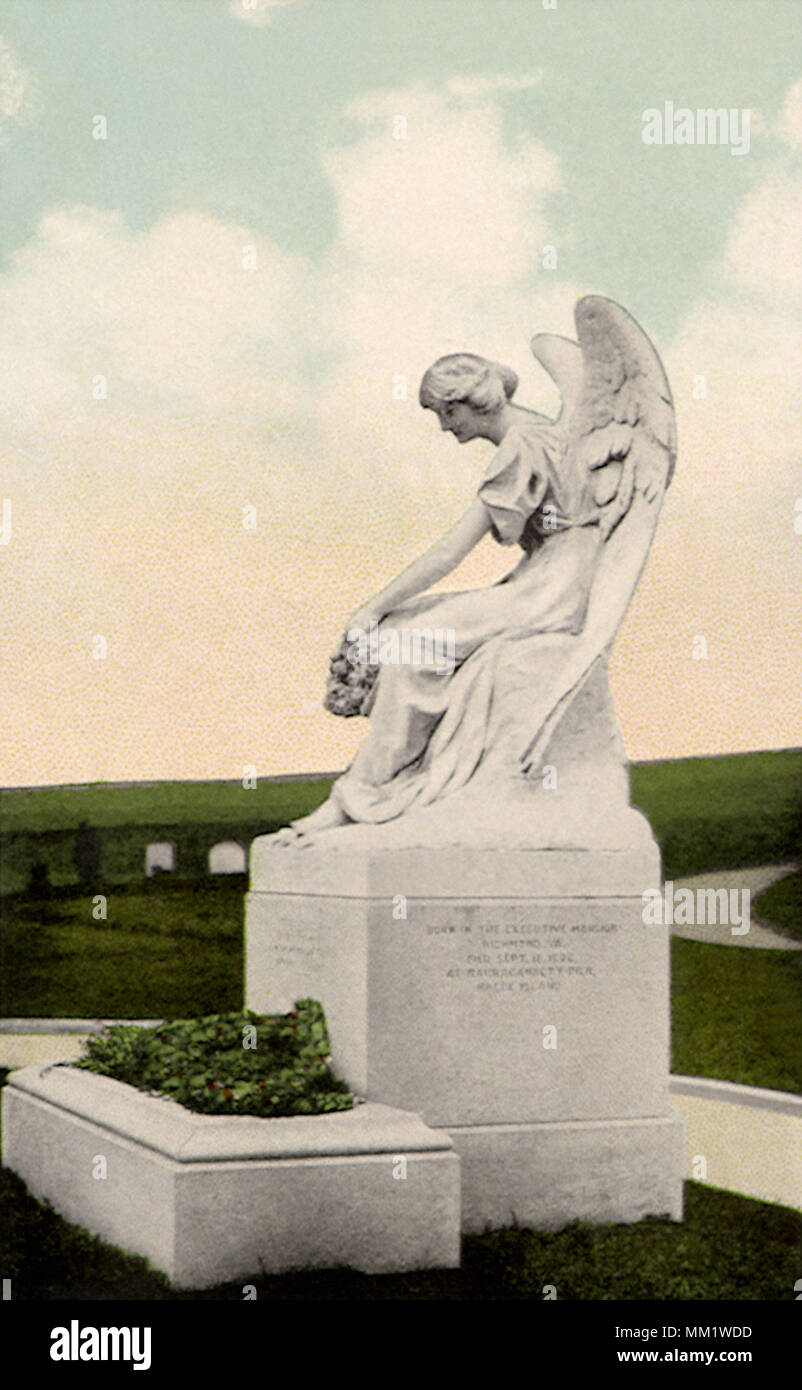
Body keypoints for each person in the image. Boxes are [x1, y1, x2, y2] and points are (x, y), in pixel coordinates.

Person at [270, 348, 603, 846]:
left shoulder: (522, 446)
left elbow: (452, 550)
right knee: (407, 626)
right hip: (552, 576)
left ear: (467, 402)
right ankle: (383, 783)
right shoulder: (541, 432)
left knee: (411, 643)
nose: (445, 428)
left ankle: (358, 797)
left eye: (445, 413)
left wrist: (371, 607)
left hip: (552, 589)